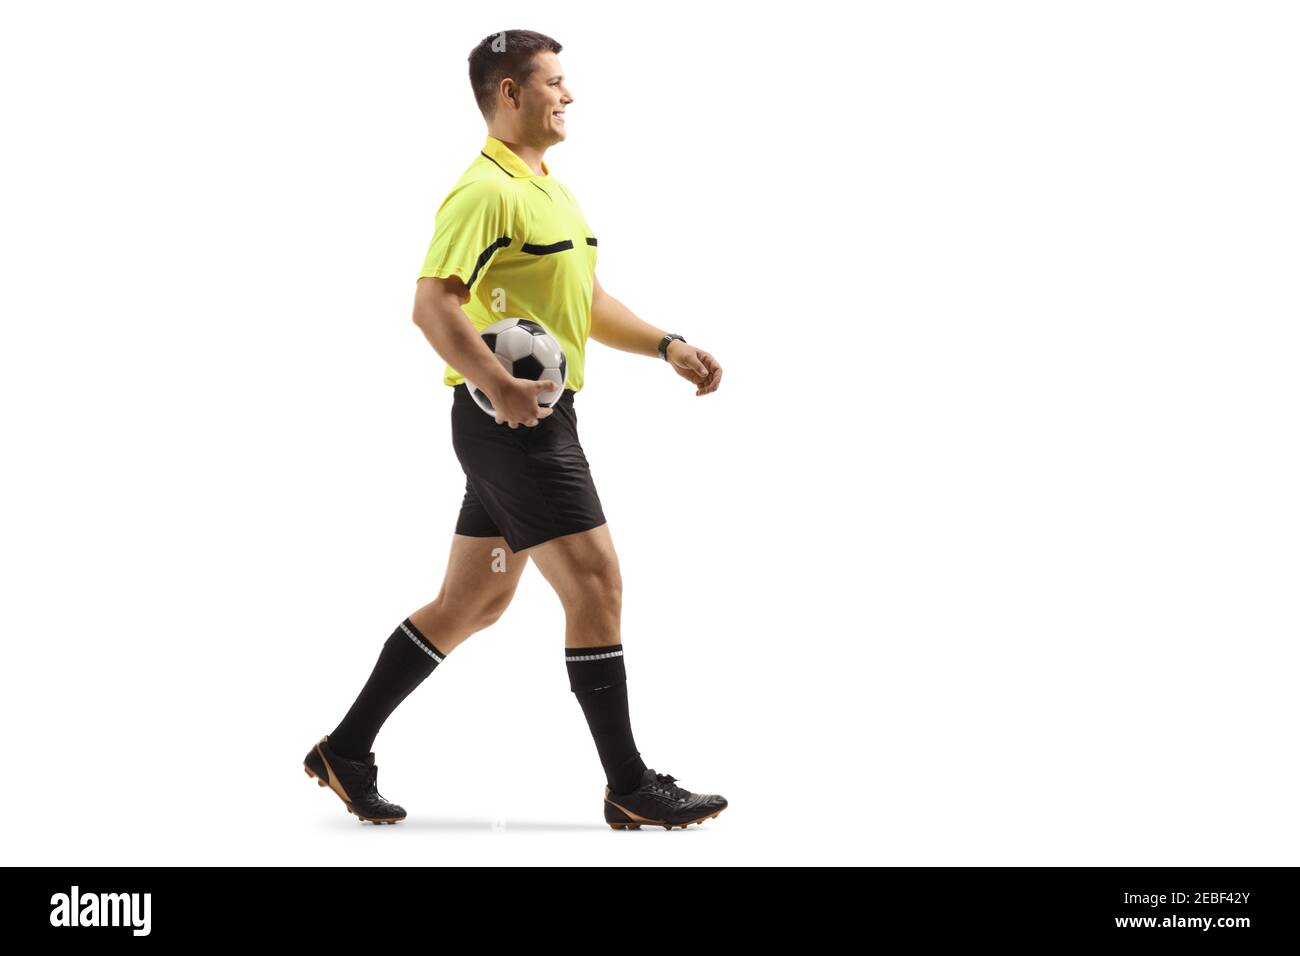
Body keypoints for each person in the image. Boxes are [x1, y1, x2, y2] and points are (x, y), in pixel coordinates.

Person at [303, 29, 727, 830]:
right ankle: (629, 785)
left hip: (526, 415)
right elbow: (433, 302)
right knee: (596, 582)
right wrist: (497, 382)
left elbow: (589, 303)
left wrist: (667, 345)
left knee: (475, 600)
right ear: (511, 93)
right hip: (512, 424)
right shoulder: (484, 191)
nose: (568, 96)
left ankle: (345, 749)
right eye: (554, 83)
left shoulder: (549, 188)